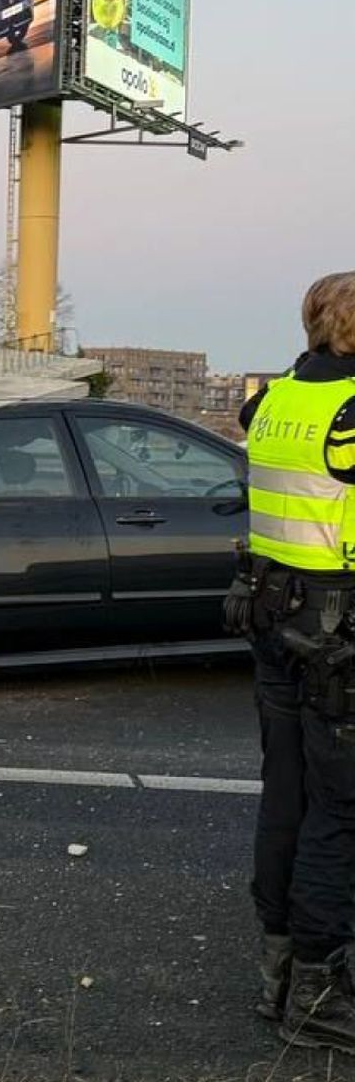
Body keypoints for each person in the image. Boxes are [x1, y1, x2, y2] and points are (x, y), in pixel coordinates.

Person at [236, 271, 355, 1053]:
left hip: (274, 619)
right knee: (339, 812)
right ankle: (322, 992)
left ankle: (277, 974)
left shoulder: (274, 399)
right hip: (338, 634)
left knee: (286, 798)